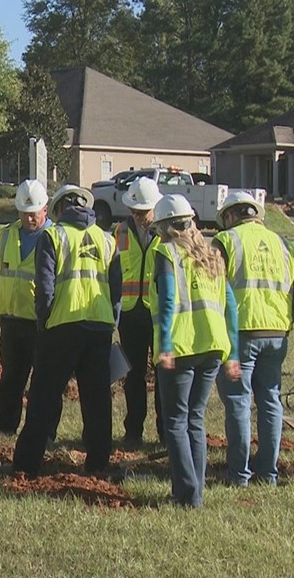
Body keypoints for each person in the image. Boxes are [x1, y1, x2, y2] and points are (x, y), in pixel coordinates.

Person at [12, 184, 122, 475]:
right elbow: (117, 291)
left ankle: (26, 465)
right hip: (99, 329)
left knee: (43, 397)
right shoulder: (107, 240)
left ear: (59, 209)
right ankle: (98, 464)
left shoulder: (53, 235)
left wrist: (43, 323)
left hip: (61, 327)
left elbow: (45, 289)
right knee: (97, 401)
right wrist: (111, 323)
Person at [147, 194, 238, 507]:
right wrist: (233, 351)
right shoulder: (212, 254)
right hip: (214, 345)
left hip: (182, 347)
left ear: (165, 226)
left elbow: (169, 300)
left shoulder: (167, 253)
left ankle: (187, 495)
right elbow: (231, 306)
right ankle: (195, 490)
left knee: (175, 421)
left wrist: (167, 345)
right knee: (195, 420)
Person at [212, 190, 294, 487]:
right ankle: (267, 473)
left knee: (239, 402)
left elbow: (210, 288)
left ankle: (239, 475)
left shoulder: (226, 241)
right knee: (270, 401)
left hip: (240, 335)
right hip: (276, 335)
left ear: (229, 216)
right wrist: (285, 323)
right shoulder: (284, 244)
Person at [0, 179, 51, 436]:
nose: (29, 219)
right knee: (11, 379)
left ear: (45, 209)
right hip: (12, 320)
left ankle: (42, 432)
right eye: (24, 214)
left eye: (33, 213)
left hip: (42, 323)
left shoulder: (54, 236)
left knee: (43, 382)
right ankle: (4, 429)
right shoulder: (6, 235)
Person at [111, 177, 162, 448]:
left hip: (158, 314)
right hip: (129, 314)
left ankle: (165, 432)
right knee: (133, 376)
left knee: (164, 376)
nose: (138, 216)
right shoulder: (119, 232)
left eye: (143, 212)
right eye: (134, 211)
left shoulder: (167, 232)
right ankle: (133, 432)